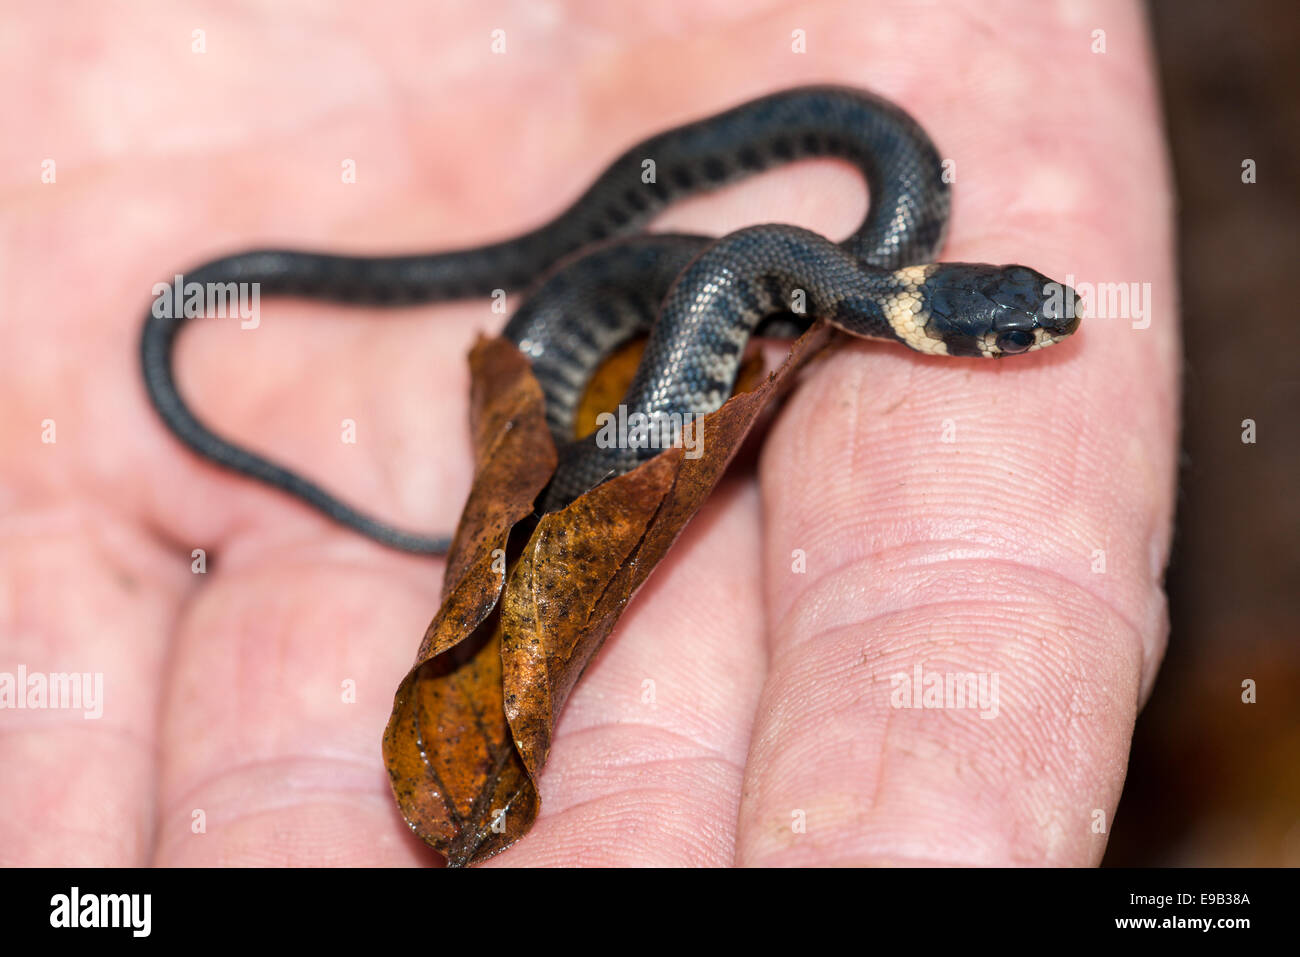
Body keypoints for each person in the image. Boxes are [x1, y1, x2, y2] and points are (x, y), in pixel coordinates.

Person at [0, 0, 1174, 866]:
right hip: (684, 299)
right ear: (934, 317)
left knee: (692, 290)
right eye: (1018, 326)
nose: (1041, 325)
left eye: (1024, 318)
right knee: (660, 295)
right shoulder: (820, 266)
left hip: (730, 292)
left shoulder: (839, 239)